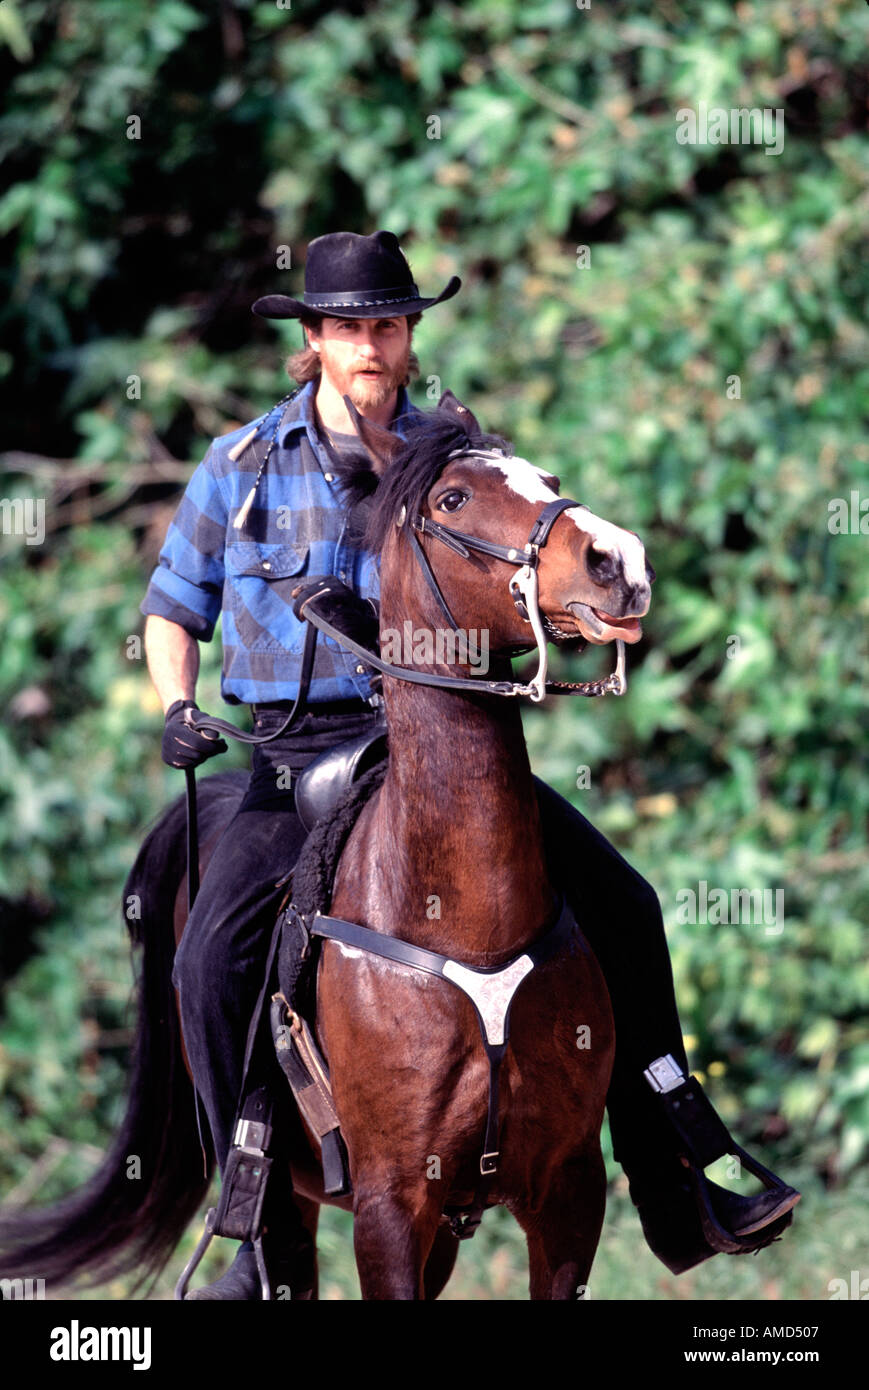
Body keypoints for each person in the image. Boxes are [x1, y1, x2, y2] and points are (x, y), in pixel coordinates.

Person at [140, 230, 799, 1299]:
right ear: (312, 338)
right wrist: (173, 701)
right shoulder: (239, 467)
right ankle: (255, 1221)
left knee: (623, 901)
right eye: (349, 326)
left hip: (427, 749)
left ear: (407, 338)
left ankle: (677, 1171)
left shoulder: (448, 467)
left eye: (388, 325)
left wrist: (585, 605)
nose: (370, 343)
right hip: (286, 757)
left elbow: (517, 574)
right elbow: (173, 608)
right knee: (206, 959)